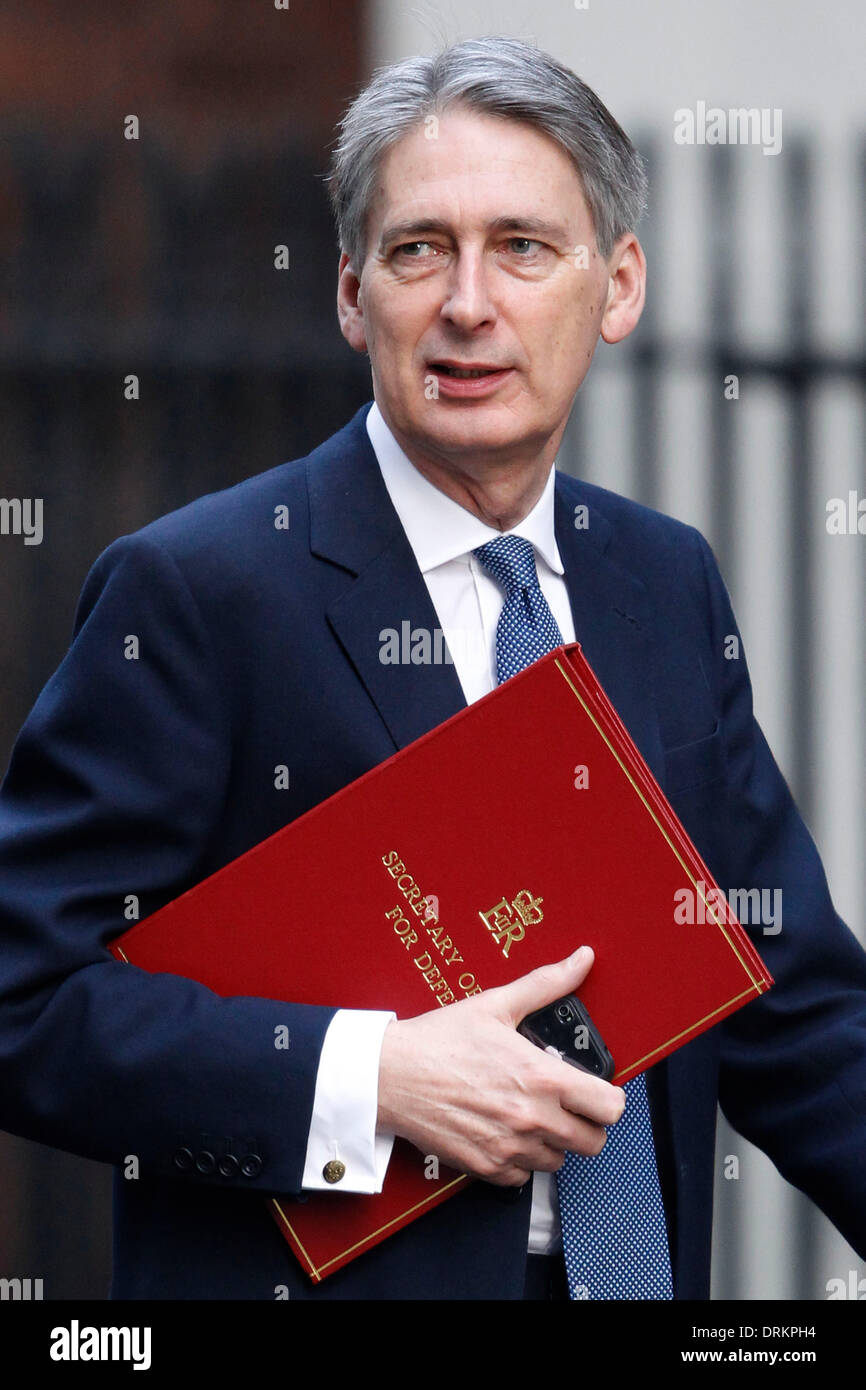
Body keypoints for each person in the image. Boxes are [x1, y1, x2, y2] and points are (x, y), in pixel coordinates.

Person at [0, 35, 864, 1302]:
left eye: (523, 246)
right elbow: (25, 994)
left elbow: (786, 1000)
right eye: (419, 250)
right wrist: (368, 1078)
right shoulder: (202, 591)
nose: (469, 302)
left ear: (616, 287)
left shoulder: (660, 582)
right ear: (351, 294)